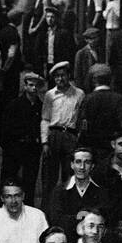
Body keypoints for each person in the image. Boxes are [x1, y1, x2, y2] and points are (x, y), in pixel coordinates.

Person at [0, 71, 44, 203]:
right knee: (9, 179)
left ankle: (27, 207)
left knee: (30, 182)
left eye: (36, 86)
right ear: (25, 86)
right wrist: (8, 148)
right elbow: (5, 129)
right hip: (15, 148)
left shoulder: (40, 106)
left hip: (32, 149)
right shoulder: (14, 105)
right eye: (30, 85)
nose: (34, 88)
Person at [40, 61, 84, 191]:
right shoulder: (50, 95)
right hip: (54, 135)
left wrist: (79, 138)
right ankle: (47, 208)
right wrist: (45, 142)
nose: (60, 79)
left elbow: (81, 119)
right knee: (49, 176)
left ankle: (67, 207)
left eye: (63, 75)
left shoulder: (79, 94)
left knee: (69, 174)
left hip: (70, 136)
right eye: (57, 76)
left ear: (68, 75)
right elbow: (45, 119)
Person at [46, 146, 103, 243]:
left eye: (87, 162)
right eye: (78, 162)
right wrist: (83, 216)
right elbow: (57, 221)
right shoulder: (59, 191)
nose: (82, 167)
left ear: (92, 166)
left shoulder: (101, 191)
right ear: (72, 165)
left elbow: (103, 221)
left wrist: (74, 218)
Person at [78, 64, 122, 159]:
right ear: (109, 79)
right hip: (112, 147)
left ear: (94, 80)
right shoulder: (119, 99)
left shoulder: (88, 99)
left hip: (92, 147)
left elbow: (83, 125)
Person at [74, 25, 102, 92]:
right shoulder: (81, 53)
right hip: (86, 86)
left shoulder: (100, 51)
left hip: (98, 85)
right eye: (92, 39)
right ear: (86, 40)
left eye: (96, 38)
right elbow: (77, 74)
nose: (95, 40)